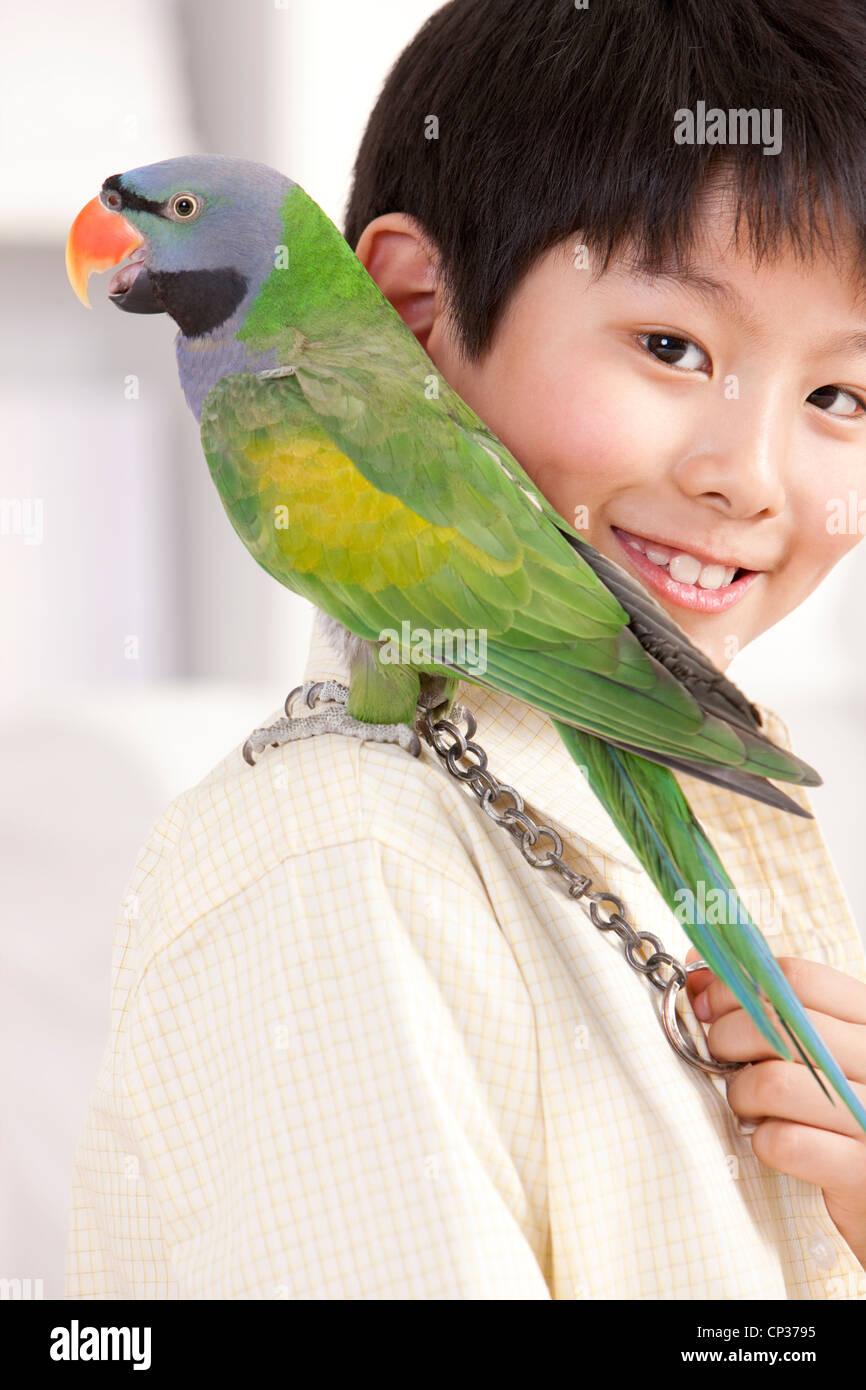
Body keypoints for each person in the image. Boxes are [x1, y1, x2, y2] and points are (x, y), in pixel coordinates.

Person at [66, 0, 866, 1299]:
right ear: (415, 309)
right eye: (670, 346)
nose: (747, 479)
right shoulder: (340, 863)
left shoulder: (280, 423)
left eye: (839, 393)